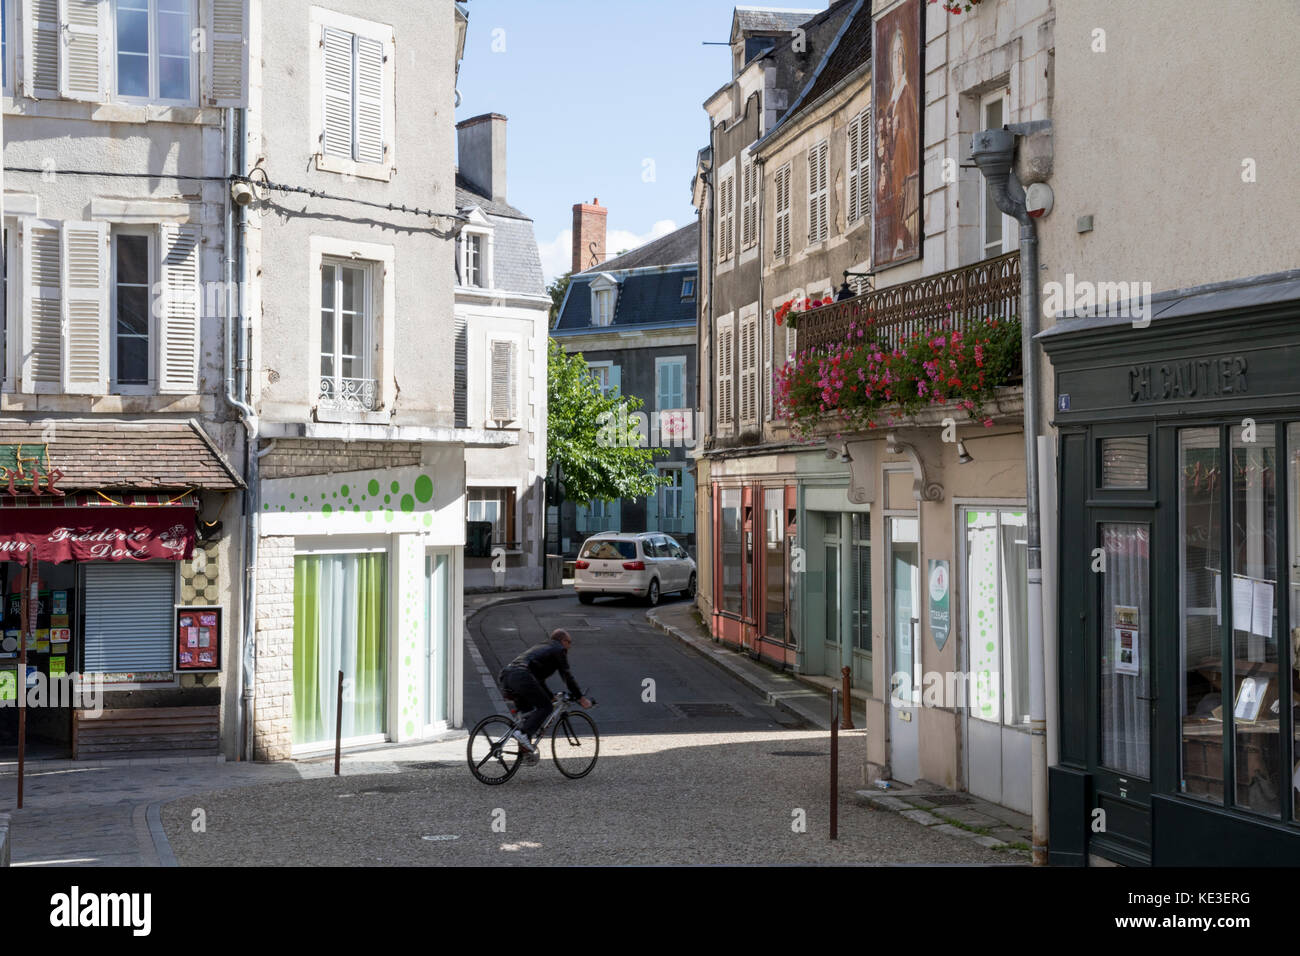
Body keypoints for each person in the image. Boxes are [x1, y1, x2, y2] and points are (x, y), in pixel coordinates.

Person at [499, 628, 592, 762]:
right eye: (569, 642)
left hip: (507, 675)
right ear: (563, 641)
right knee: (546, 708)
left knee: (529, 715)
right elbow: (567, 676)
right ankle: (522, 735)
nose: (570, 646)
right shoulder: (558, 649)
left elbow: (538, 679)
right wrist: (580, 697)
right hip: (521, 675)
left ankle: (525, 754)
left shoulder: (543, 647)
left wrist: (550, 696)